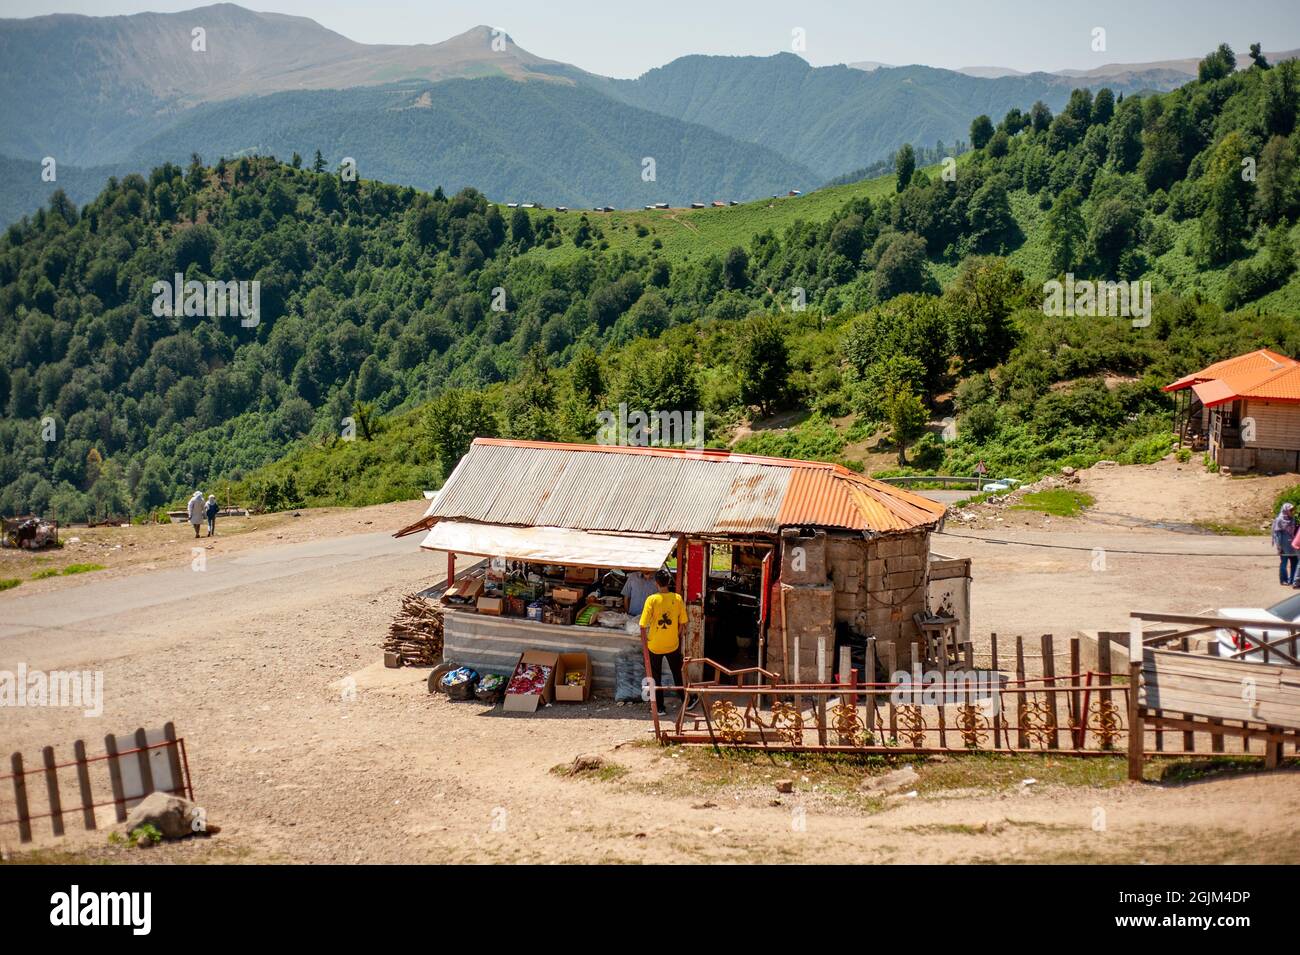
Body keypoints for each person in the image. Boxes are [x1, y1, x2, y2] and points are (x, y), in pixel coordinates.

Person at [639, 569, 688, 715]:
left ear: (656, 583)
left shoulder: (652, 600)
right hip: (673, 644)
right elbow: (683, 623)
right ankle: (686, 701)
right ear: (669, 582)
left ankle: (659, 707)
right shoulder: (677, 598)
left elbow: (642, 625)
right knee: (677, 674)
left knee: (655, 677)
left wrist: (646, 642)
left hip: (654, 645)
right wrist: (676, 635)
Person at [1274, 502, 1298, 585]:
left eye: (1292, 510)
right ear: (1286, 510)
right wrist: (1279, 547)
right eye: (1290, 510)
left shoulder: (1293, 519)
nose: (1292, 512)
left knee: (1294, 562)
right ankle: (1284, 580)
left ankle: (1292, 580)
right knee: (1284, 563)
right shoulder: (1279, 519)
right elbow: (1277, 534)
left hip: (1292, 545)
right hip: (1283, 545)